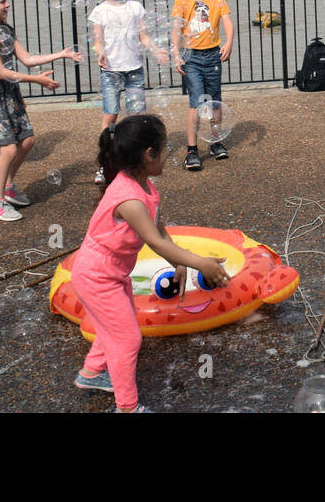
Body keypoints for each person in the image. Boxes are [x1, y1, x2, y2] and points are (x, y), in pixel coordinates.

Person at [70, 115, 231, 412]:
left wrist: (179, 261)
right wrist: (200, 263)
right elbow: (154, 242)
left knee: (116, 325)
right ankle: (128, 407)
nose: (168, 152)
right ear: (149, 154)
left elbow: (158, 230)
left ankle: (91, 373)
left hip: (110, 272)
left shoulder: (142, 185)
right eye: (165, 147)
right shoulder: (128, 198)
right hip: (96, 275)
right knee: (127, 338)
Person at [0, 0, 80, 222]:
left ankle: (6, 185)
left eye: (7, 0)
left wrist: (60, 54)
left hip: (10, 93)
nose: (8, 4)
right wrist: (37, 81)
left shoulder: (6, 30)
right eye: (2, 1)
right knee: (7, 148)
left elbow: (28, 59)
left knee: (27, 140)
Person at [88, 0, 170, 184]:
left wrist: (156, 51)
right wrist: (100, 53)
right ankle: (105, 164)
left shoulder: (135, 7)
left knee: (136, 117)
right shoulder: (99, 12)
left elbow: (143, 37)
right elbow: (97, 41)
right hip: (111, 70)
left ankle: (137, 162)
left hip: (134, 68)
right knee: (110, 116)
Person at [171, 0, 234, 171]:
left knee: (215, 100)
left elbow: (227, 21)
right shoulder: (182, 0)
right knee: (196, 103)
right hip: (192, 57)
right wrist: (176, 54)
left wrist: (229, 43)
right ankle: (192, 150)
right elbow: (176, 29)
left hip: (213, 54)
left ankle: (216, 142)